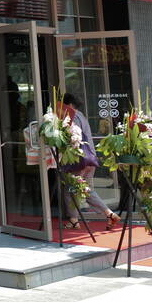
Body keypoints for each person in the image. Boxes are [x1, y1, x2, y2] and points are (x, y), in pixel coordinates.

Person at [58, 94, 122, 229]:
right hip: (89, 158)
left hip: (77, 159)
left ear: (68, 105)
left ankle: (74, 220)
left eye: (62, 105)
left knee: (70, 188)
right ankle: (109, 214)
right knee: (86, 190)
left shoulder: (72, 117)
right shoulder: (81, 115)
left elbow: (72, 137)